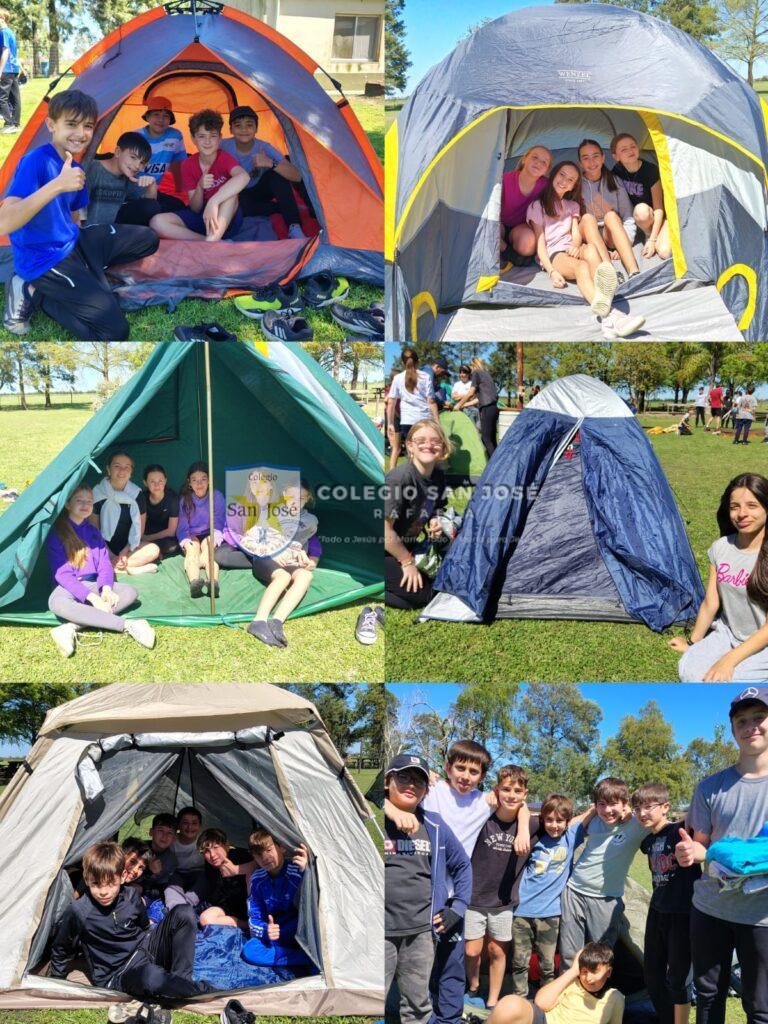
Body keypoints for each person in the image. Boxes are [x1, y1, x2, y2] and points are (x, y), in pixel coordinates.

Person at [1, 89, 159, 339]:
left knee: (149, 238)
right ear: (51, 125)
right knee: (114, 332)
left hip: (74, 242)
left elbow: (75, 213)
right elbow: (4, 223)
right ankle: (34, 292)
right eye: (71, 124)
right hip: (45, 259)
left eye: (87, 126)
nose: (80, 133)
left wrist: (83, 243)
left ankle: (87, 272)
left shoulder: (75, 167)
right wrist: (57, 185)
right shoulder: (36, 161)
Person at [675, 687, 768, 1024]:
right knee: (709, 997)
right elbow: (699, 847)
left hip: (761, 919)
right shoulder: (710, 787)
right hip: (710, 910)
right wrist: (690, 852)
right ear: (733, 731)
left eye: (759, 717)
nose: (751, 726)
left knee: (761, 1009)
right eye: (742, 721)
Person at [49, 841, 210, 1007]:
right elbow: (61, 949)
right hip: (120, 973)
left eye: (111, 883)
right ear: (87, 878)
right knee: (151, 976)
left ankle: (181, 983)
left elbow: (144, 928)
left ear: (122, 876)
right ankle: (202, 990)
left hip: (145, 949)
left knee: (184, 912)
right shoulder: (79, 911)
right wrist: (56, 982)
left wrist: (160, 939)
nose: (104, 891)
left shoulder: (131, 895)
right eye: (96, 884)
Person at [385, 753, 472, 1024]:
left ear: (425, 791)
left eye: (419, 781)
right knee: (370, 1000)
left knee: (417, 1005)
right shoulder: (372, 818)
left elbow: (463, 867)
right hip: (377, 931)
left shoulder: (434, 825)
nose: (411, 785)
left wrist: (457, 907)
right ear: (387, 781)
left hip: (421, 932)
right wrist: (387, 807)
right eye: (403, 777)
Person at [526, 161, 645, 340]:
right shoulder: (537, 206)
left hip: (570, 248)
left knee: (590, 249)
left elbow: (574, 234)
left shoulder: (572, 206)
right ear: (554, 174)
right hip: (554, 253)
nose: (564, 181)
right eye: (562, 175)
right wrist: (551, 271)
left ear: (574, 185)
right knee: (581, 267)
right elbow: (541, 242)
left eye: (571, 179)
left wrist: (575, 246)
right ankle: (611, 317)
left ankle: (606, 290)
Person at [671, 473, 768, 682]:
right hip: (728, 633)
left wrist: (729, 660)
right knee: (688, 670)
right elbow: (710, 603)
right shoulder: (721, 547)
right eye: (735, 507)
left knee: (729, 679)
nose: (742, 514)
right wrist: (693, 643)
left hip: (763, 642)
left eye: (752, 505)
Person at [46, 484, 155, 657]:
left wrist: (105, 589)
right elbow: (63, 574)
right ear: (67, 504)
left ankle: (70, 627)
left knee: (130, 592)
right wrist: (93, 599)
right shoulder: (57, 532)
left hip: (93, 583)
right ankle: (129, 625)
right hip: (67, 588)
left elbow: (104, 564)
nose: (85, 505)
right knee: (57, 603)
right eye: (79, 500)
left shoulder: (94, 532)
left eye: (89, 501)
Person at [558, 776, 649, 970]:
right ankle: (566, 995)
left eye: (614, 803)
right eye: (602, 804)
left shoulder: (637, 825)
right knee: (569, 953)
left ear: (625, 803)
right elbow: (568, 827)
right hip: (574, 892)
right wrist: (592, 810)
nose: (608, 810)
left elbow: (664, 821)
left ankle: (596, 997)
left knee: (601, 955)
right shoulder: (594, 821)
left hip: (606, 900)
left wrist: (632, 812)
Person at [465, 765, 534, 1011]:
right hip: (473, 897)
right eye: (506, 789)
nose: (512, 795)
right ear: (497, 790)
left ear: (525, 794)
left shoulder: (531, 826)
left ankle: (493, 999)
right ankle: (473, 987)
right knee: (472, 951)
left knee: (496, 950)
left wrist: (524, 825)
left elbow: (563, 820)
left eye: (518, 790)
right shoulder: (483, 819)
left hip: (503, 903)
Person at [511, 796, 595, 999]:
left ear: (567, 822)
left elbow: (584, 817)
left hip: (550, 913)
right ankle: (519, 998)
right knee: (519, 962)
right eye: (549, 820)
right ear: (542, 820)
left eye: (559, 821)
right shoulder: (535, 836)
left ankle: (546, 997)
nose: (554, 826)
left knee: (547, 963)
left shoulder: (571, 837)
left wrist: (593, 809)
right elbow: (521, 807)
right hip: (522, 911)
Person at [631, 782, 700, 1024]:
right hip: (656, 910)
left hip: (683, 913)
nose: (642, 813)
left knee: (679, 978)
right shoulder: (647, 841)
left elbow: (698, 812)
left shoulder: (682, 829)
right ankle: (666, 1019)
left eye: (648, 807)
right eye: (637, 808)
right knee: (652, 975)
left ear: (665, 807)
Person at [150, 109, 249, 242]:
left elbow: (244, 177)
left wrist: (214, 202)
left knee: (232, 195)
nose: (207, 141)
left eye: (212, 136)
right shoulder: (188, 165)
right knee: (156, 222)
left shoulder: (223, 158)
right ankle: (208, 242)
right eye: (202, 136)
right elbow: (195, 208)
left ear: (220, 138)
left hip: (226, 220)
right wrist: (200, 187)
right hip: (202, 217)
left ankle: (213, 239)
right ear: (193, 139)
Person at [384, 419, 451, 610]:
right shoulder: (400, 478)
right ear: (410, 446)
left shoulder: (438, 476)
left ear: (443, 447)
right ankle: (376, 585)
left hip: (408, 544)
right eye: (421, 440)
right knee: (424, 596)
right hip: (381, 550)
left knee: (441, 583)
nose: (428, 445)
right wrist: (406, 562)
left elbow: (437, 506)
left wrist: (435, 519)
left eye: (435, 441)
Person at [221, 105, 305, 239]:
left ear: (256, 129)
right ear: (231, 130)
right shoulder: (223, 146)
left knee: (277, 174)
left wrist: (271, 163)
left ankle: (294, 225)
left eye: (249, 125)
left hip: (260, 190)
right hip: (238, 194)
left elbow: (297, 176)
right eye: (238, 125)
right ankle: (277, 207)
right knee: (240, 210)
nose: (244, 130)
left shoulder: (265, 147)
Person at [487, 942, 624, 1024]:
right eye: (584, 971)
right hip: (547, 1020)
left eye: (595, 972)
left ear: (609, 972)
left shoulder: (615, 997)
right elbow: (541, 1003)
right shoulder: (573, 981)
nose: (588, 978)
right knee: (510, 1004)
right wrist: (573, 971)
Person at [241, 830, 311, 967]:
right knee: (249, 951)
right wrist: (266, 930)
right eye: (259, 854)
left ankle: (291, 955)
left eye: (268, 850)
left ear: (282, 848)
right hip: (276, 931)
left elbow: (314, 904)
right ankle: (303, 958)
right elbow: (254, 918)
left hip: (298, 927)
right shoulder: (257, 879)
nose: (265, 857)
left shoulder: (297, 870)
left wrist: (307, 874)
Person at [577, 139, 639, 278]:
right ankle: (610, 273)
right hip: (587, 233)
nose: (591, 162)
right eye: (586, 158)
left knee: (611, 216)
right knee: (587, 218)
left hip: (608, 234)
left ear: (603, 157)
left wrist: (625, 242)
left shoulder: (615, 181)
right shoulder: (576, 184)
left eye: (595, 156)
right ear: (580, 163)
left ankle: (634, 271)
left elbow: (627, 215)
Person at [91, 451, 161, 575]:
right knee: (86, 554)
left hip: (128, 547)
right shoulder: (97, 493)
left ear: (131, 472)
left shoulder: (137, 494)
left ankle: (116, 567)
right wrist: (110, 553)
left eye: (127, 467)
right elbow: (94, 531)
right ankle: (127, 568)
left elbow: (139, 531)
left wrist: (124, 551)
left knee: (153, 549)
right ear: (108, 469)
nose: (122, 470)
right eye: (117, 466)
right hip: (103, 547)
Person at [610, 133, 671, 260]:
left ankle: (654, 235)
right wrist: (621, 243)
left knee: (664, 252)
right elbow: (618, 206)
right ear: (615, 156)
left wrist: (653, 240)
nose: (630, 151)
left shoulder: (650, 170)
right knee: (640, 211)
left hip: (660, 215)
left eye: (633, 146)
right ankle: (648, 233)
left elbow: (659, 207)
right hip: (639, 219)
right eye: (624, 149)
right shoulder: (617, 171)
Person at [84, 132, 162, 228]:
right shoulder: (92, 169)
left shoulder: (128, 178)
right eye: (133, 157)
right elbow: (76, 206)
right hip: (87, 231)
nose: (137, 166)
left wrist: (152, 185)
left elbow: (150, 205)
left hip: (111, 231)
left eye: (142, 162)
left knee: (160, 207)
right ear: (118, 152)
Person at [176, 461, 225, 599]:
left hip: (210, 532)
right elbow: (183, 528)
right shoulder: (185, 500)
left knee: (209, 553)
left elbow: (219, 523)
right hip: (191, 534)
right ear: (189, 483)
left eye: (203, 479)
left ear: (209, 480)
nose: (199, 484)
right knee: (193, 551)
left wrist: (213, 541)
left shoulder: (217, 496)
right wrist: (186, 542)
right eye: (195, 480)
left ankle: (213, 583)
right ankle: (194, 583)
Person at [386, 347, 439, 470]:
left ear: (403, 363)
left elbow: (391, 402)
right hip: (424, 421)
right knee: (425, 453)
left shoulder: (398, 378)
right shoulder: (425, 376)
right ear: (418, 361)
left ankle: (411, 482)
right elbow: (431, 401)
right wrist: (437, 422)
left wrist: (390, 424)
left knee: (411, 454)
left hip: (407, 422)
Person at [500, 145, 551, 262]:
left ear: (546, 170)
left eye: (544, 162)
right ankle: (508, 252)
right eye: (535, 157)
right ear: (524, 159)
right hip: (500, 224)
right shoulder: (505, 179)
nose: (538, 163)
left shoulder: (546, 186)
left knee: (527, 245)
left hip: (521, 228)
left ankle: (503, 250)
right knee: (489, 231)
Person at [135, 97, 187, 213]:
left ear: (170, 120)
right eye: (156, 115)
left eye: (166, 116)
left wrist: (182, 190)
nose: (161, 120)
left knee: (181, 207)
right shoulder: (136, 137)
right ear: (148, 117)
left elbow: (180, 164)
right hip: (135, 189)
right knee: (151, 210)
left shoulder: (175, 136)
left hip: (157, 190)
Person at [197, 828, 252, 930]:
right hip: (226, 907)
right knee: (205, 919)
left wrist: (237, 870)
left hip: (248, 905)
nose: (212, 855)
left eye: (216, 847)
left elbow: (260, 863)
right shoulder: (210, 866)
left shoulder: (241, 855)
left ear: (226, 845)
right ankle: (246, 925)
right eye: (206, 851)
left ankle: (252, 923)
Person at [453, 357, 499, 457]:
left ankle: (494, 465)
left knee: (485, 438)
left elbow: (471, 392)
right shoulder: (486, 374)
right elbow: (478, 398)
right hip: (494, 408)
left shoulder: (476, 373)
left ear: (473, 365)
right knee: (492, 438)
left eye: (470, 366)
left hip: (487, 408)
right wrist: (464, 405)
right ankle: (498, 462)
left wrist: (459, 404)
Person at [163, 807, 206, 912]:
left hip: (198, 873)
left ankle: (183, 906)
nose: (189, 827)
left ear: (200, 826)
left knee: (204, 881)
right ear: (179, 825)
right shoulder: (172, 840)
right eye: (185, 822)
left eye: (194, 823)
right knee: (172, 883)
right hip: (178, 874)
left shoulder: (204, 840)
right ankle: (174, 905)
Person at [141, 464, 181, 560]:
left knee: (173, 546)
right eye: (152, 481)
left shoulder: (173, 499)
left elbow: (171, 531)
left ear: (165, 481)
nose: (157, 485)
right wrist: (142, 538)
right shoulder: (142, 498)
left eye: (160, 481)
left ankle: (153, 551)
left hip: (164, 537)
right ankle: (152, 551)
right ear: (145, 483)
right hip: (145, 535)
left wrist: (147, 539)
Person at [0, 8, 20, 133]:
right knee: (15, 97)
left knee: (1, 98)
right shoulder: (10, 32)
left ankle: (8, 124)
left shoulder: (3, 32)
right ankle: (16, 124)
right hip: (13, 68)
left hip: (7, 68)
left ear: (2, 18)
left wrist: (0, 69)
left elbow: (5, 51)